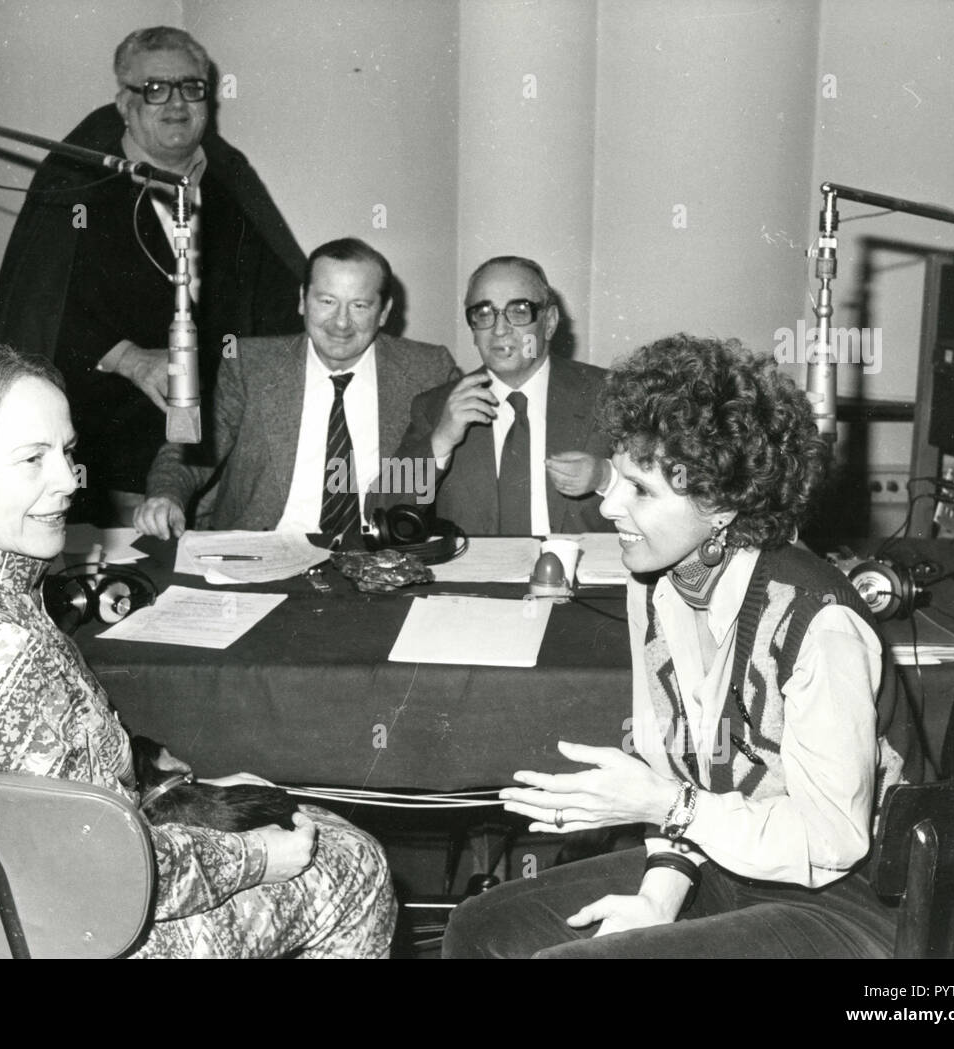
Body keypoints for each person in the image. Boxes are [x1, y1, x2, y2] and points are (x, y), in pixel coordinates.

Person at [0, 348, 395, 958]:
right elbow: (111, 875)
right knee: (353, 862)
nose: (68, 480)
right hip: (76, 934)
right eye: (33, 459)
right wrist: (256, 857)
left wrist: (182, 798)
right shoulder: (6, 648)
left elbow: (50, 794)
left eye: (65, 452)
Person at [442, 334, 906, 958]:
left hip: (844, 904)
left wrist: (665, 804)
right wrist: (657, 896)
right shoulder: (657, 588)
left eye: (640, 489)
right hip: (721, 861)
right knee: (479, 930)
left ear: (719, 503)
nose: (607, 504)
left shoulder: (819, 626)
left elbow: (832, 841)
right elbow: (687, 776)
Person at [0, 26, 305, 527]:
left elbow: (279, 302)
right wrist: (131, 359)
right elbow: (39, 313)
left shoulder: (230, 177)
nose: (176, 103)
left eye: (190, 87)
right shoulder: (77, 184)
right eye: (155, 89)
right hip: (115, 458)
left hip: (221, 458)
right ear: (124, 101)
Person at [135, 238, 459, 538]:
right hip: (264, 548)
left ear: (384, 311)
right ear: (303, 301)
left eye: (359, 305)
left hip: (379, 551)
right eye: (327, 301)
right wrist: (166, 496)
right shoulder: (251, 364)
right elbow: (193, 446)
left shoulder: (427, 369)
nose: (341, 323)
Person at [390, 256, 614, 535]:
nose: (499, 329)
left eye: (519, 311)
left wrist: (606, 476)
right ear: (472, 329)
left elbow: (672, 497)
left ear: (550, 322)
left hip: (582, 575)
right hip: (476, 576)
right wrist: (440, 442)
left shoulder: (609, 393)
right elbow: (384, 511)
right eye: (484, 314)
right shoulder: (436, 407)